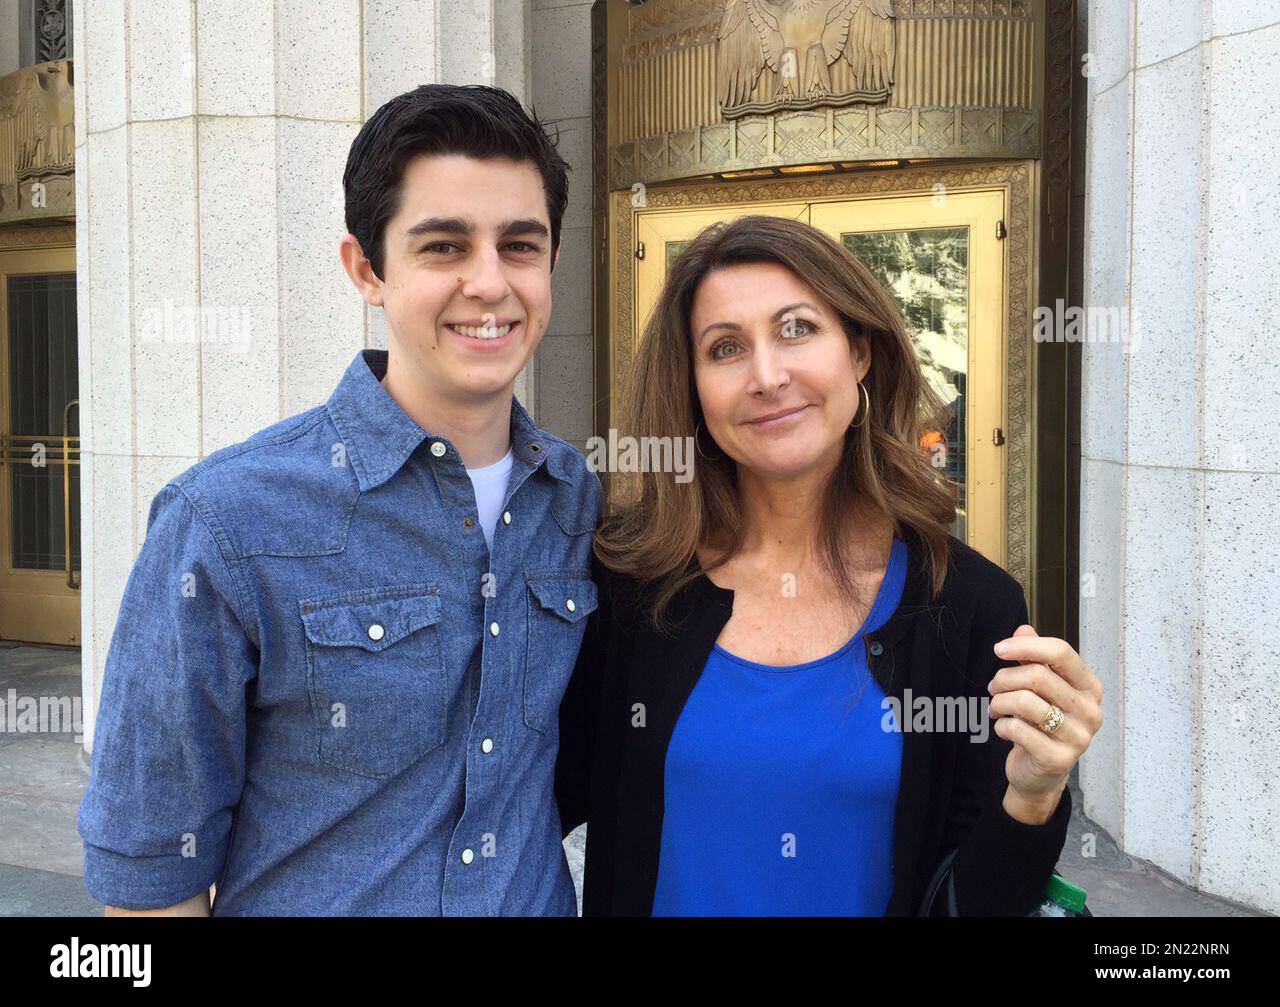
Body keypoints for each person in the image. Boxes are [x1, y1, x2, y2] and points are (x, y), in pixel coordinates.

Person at [77, 84, 601, 916]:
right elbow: (152, 881)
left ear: (552, 263)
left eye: (520, 245)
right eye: (443, 247)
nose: (489, 283)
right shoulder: (224, 521)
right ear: (366, 269)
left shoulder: (575, 501)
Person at [556, 214, 1102, 916]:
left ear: (861, 351)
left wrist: (1031, 793)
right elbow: (516, 798)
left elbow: (978, 901)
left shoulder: (968, 604)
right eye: (725, 348)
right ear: (692, 386)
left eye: (797, 329)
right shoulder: (630, 584)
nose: (767, 375)